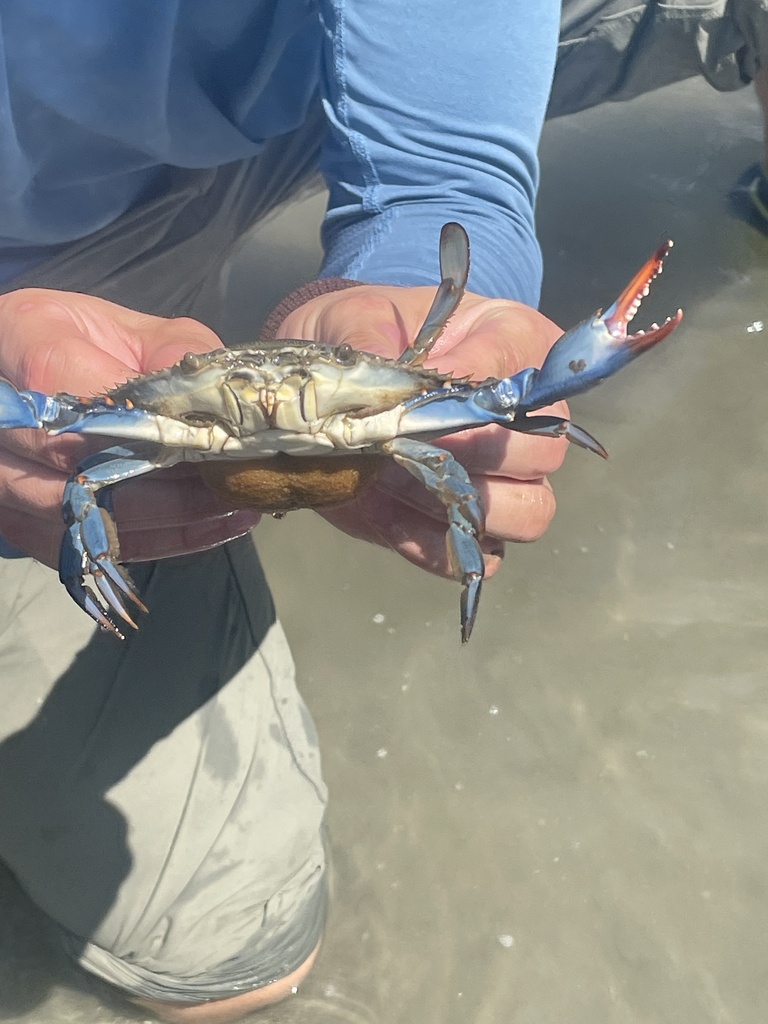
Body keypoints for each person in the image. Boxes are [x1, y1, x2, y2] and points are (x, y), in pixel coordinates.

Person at [0, 3, 764, 1022]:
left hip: (313, 55)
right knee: (227, 947)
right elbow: (74, 452)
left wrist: (427, 269)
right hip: (39, 252)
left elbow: (464, 260)